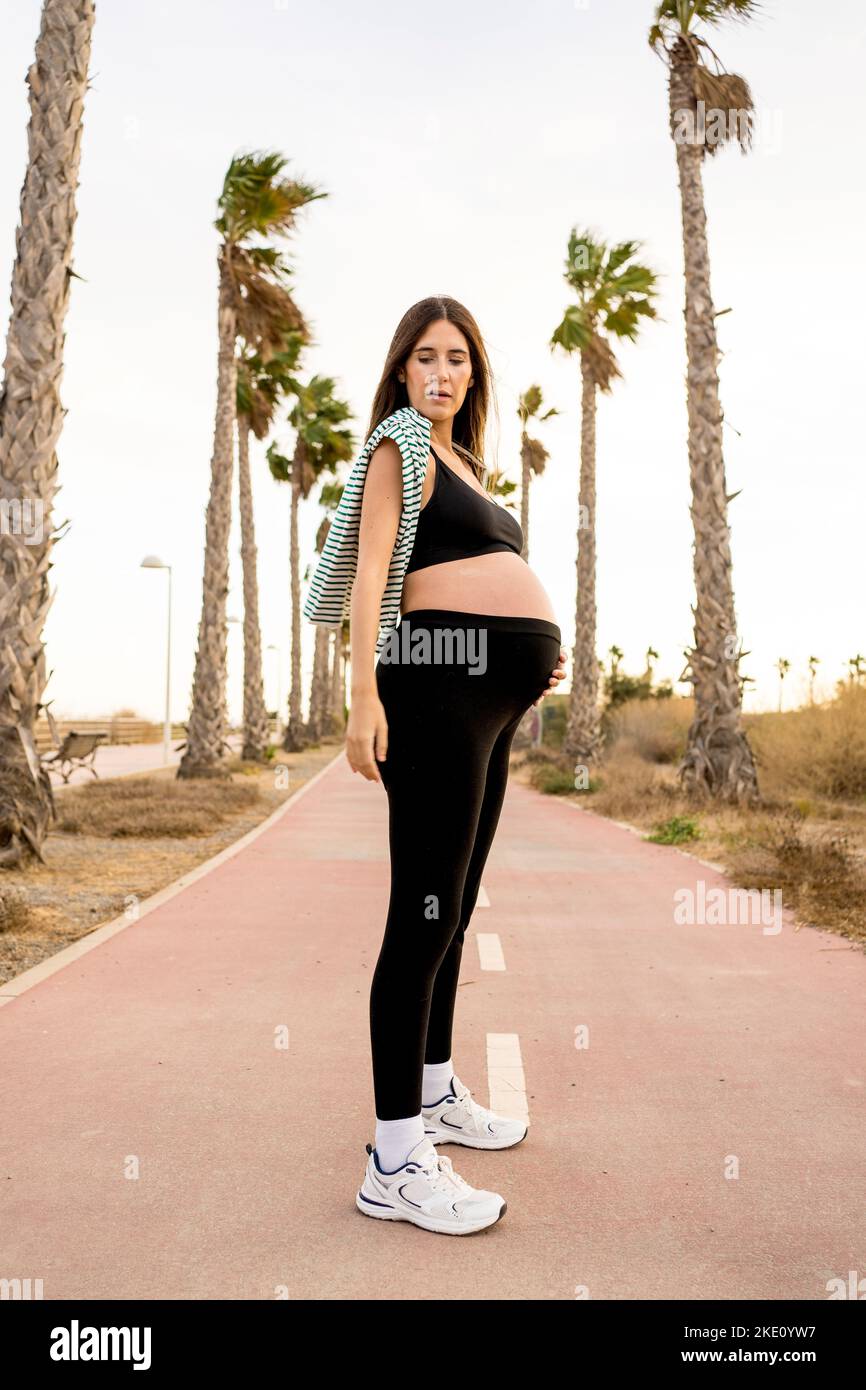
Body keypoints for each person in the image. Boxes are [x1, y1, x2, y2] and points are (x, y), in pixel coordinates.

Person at [318, 296, 567, 1235]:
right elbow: (374, 571)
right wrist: (363, 698)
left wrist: (530, 657)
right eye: (425, 355)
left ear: (474, 374)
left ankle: (431, 1090)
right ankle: (392, 1158)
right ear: (401, 369)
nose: (443, 370)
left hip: (490, 697)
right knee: (420, 914)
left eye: (457, 357)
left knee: (454, 905)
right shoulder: (401, 447)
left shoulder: (468, 462)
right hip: (430, 684)